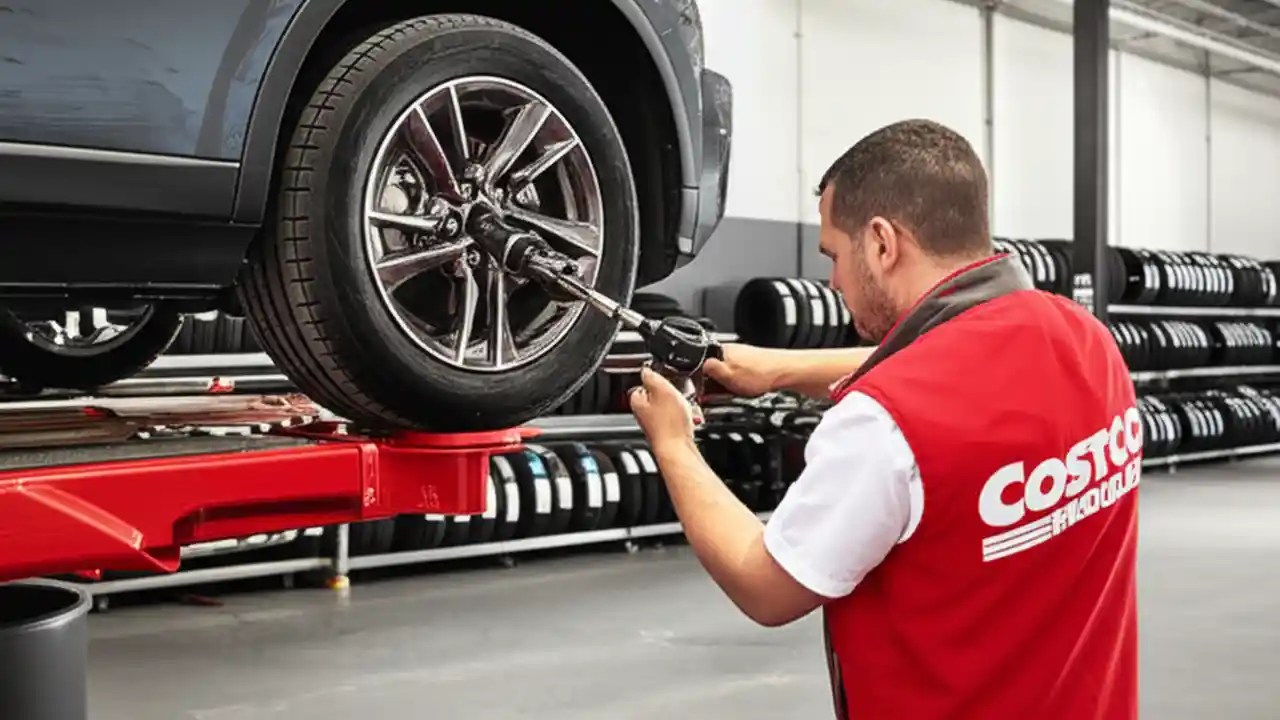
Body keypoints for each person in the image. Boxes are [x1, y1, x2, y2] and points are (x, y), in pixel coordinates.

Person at [628, 119, 1140, 719]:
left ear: (881, 242)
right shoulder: (1084, 339)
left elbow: (764, 585)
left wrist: (673, 445)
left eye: (835, 255)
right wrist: (778, 370)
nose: (834, 281)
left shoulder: (883, 426)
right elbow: (944, 357)